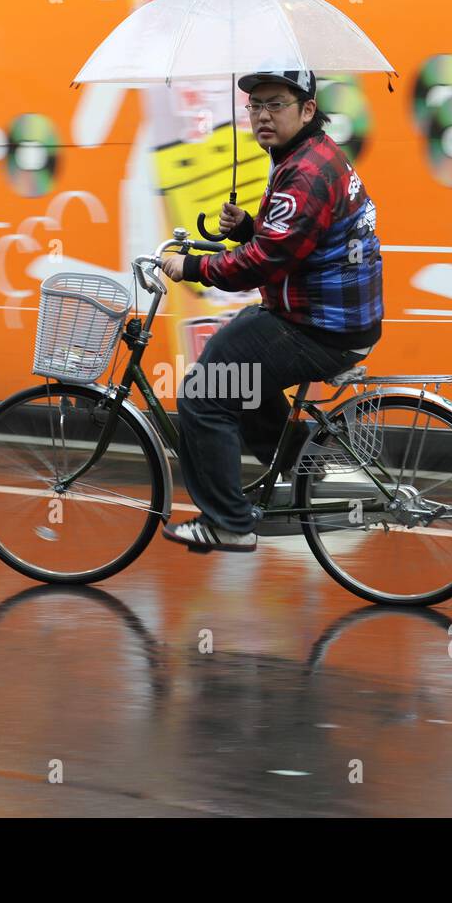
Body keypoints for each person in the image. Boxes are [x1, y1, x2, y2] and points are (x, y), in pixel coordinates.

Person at [160, 69, 383, 552]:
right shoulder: (309, 156)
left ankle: (228, 523)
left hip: (320, 327)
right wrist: (249, 227)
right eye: (255, 105)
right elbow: (295, 237)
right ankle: (304, 461)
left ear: (307, 109)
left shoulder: (304, 172)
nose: (262, 115)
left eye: (275, 104)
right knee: (238, 354)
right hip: (332, 320)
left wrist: (193, 266)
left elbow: (267, 261)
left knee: (205, 393)